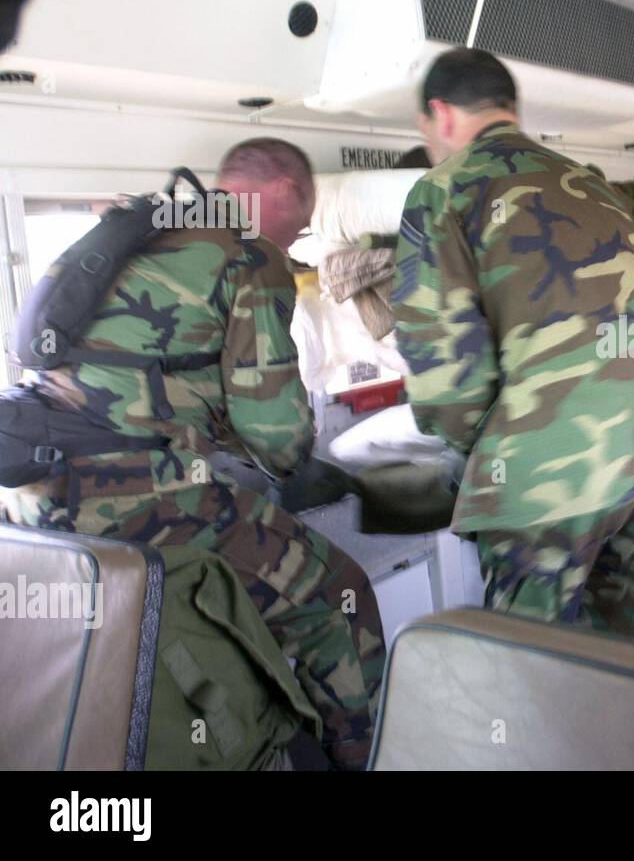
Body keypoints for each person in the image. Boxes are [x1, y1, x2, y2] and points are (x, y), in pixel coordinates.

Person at [0, 137, 386, 770]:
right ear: (282, 194)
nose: (291, 246)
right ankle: (354, 762)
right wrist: (299, 464)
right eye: (296, 229)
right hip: (125, 488)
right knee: (339, 598)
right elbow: (274, 433)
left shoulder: (140, 226)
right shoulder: (248, 252)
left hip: (32, 485)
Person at [393, 48, 634, 637]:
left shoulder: (441, 191)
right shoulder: (589, 182)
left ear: (441, 114)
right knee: (626, 633)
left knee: (530, 654)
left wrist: (486, 456)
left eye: (426, 130)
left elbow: (445, 380)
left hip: (559, 463)